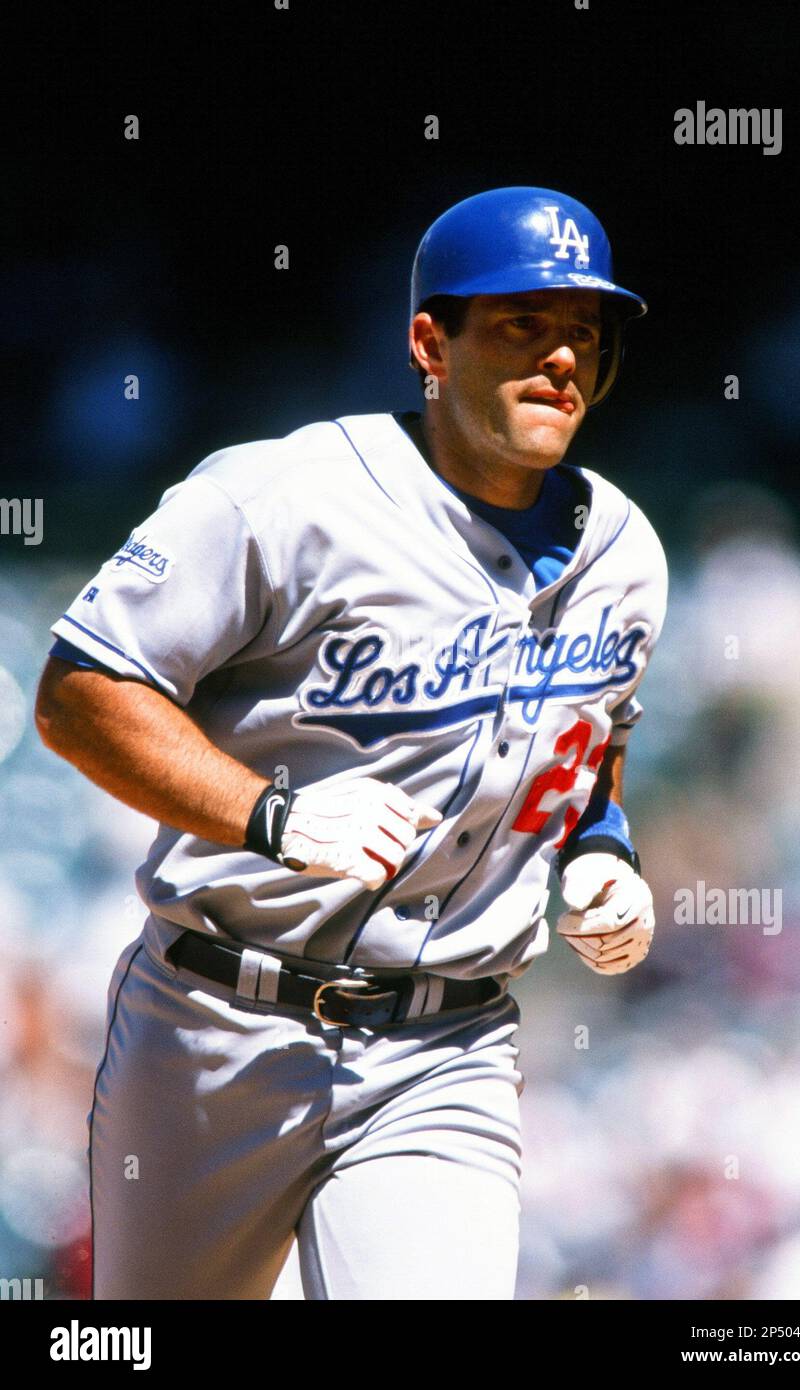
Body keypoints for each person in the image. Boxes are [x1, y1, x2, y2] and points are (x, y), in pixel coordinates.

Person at [34, 186, 668, 1301]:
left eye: (585, 329)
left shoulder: (625, 551)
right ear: (431, 343)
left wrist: (603, 849)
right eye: (523, 323)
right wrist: (270, 815)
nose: (563, 355)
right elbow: (81, 691)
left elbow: (590, 745)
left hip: (446, 1048)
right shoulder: (281, 496)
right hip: (215, 1024)